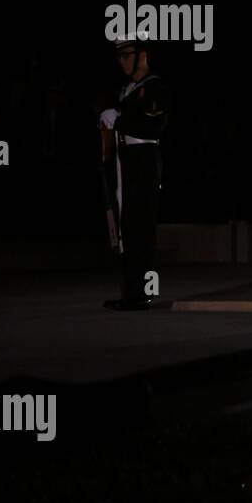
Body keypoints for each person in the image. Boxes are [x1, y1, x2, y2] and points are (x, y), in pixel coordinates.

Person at [98, 32, 171, 310]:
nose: (121, 62)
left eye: (126, 55)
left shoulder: (155, 87)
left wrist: (119, 121)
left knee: (141, 225)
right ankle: (131, 292)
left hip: (144, 158)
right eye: (119, 56)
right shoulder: (127, 89)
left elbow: (153, 126)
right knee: (127, 227)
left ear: (143, 55)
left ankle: (142, 293)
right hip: (126, 158)